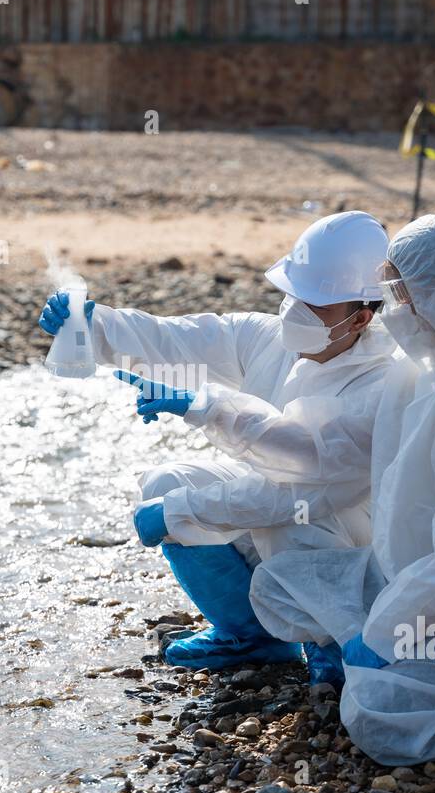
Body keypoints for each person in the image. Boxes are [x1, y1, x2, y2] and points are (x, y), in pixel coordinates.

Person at [131, 211, 435, 766]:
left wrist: (390, 630)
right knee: (283, 581)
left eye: (397, 290)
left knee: (373, 715)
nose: (387, 307)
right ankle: (432, 668)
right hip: (413, 569)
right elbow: (324, 452)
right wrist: (207, 409)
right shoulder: (419, 371)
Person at [38, 211, 397, 673]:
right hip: (282, 504)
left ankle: (329, 639)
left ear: (361, 318)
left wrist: (202, 415)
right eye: (293, 296)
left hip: (339, 533)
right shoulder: (269, 339)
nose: (295, 312)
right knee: (169, 484)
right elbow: (175, 342)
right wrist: (95, 325)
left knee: (289, 523)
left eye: (316, 305)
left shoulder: (380, 385)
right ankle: (249, 638)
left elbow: (297, 480)